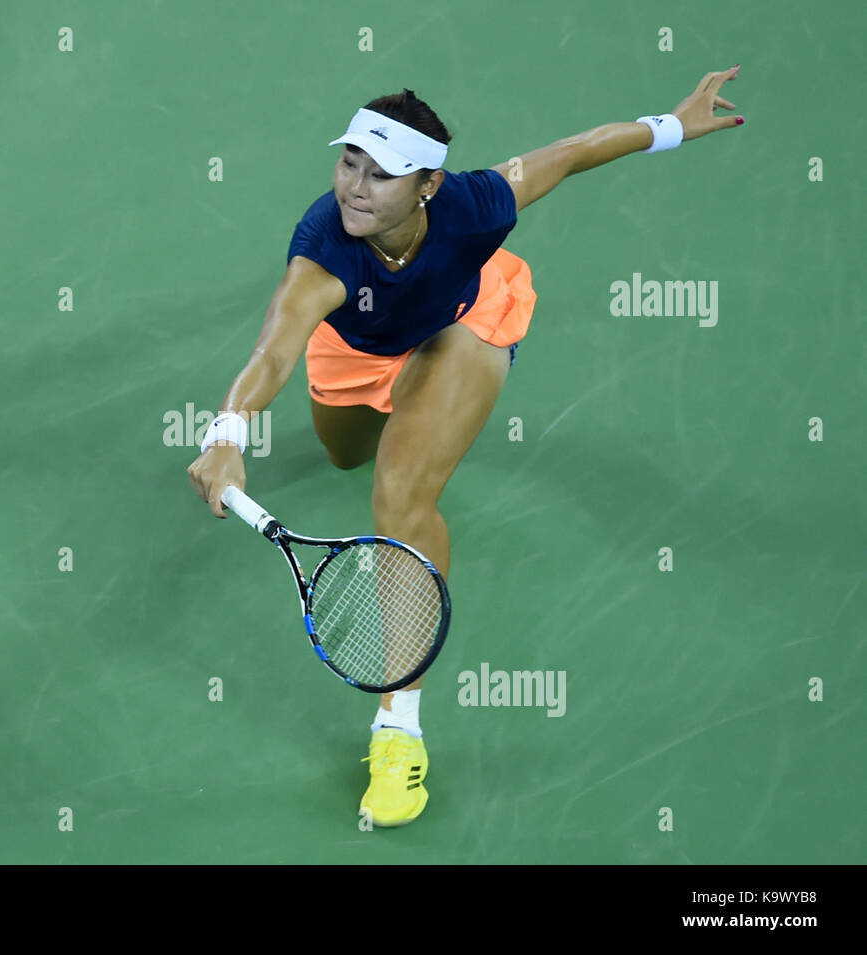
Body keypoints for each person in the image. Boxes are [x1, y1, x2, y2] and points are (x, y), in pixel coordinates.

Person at [187, 67, 744, 827]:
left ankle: (398, 727)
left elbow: (576, 152)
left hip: (460, 327)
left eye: (381, 174)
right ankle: (385, 406)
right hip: (357, 345)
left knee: (399, 495)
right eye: (349, 161)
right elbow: (277, 349)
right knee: (344, 455)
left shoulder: (477, 203)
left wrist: (674, 124)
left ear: (427, 185)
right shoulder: (323, 248)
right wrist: (227, 431)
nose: (355, 186)